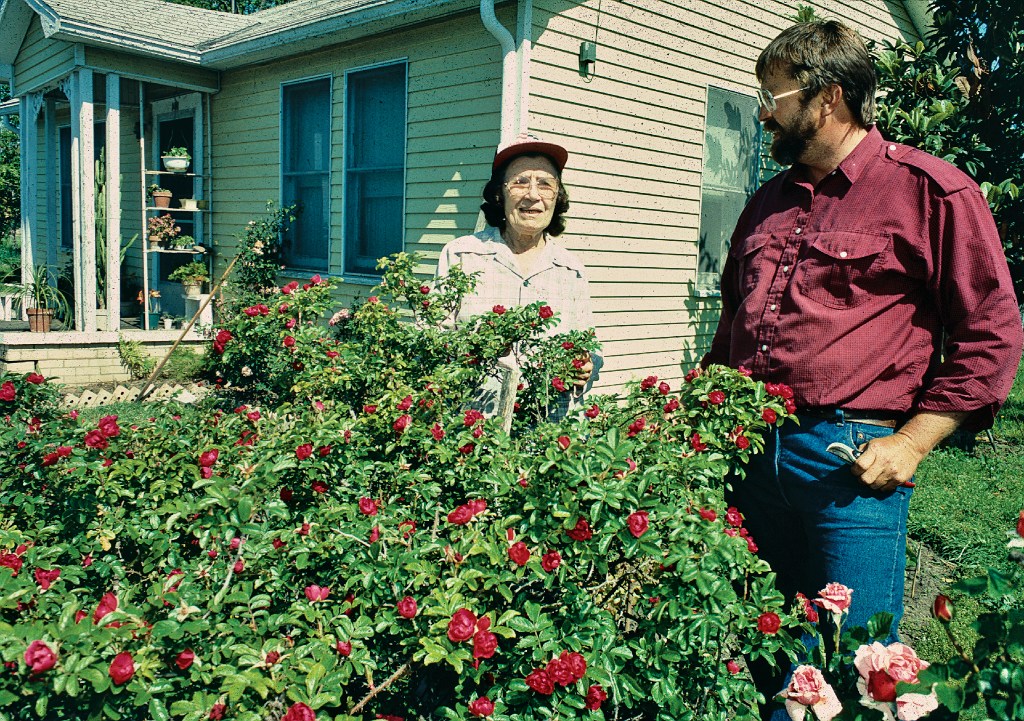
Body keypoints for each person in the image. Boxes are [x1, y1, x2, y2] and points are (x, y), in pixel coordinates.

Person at [701, 19, 1023, 718]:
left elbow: (991, 336)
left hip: (851, 465)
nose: (763, 110)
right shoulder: (765, 203)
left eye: (774, 93)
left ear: (828, 97)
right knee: (769, 649)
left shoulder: (931, 192)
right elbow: (730, 328)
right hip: (752, 456)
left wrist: (911, 442)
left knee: (862, 662)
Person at [436, 132, 600, 416]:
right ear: (499, 193)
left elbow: (590, 348)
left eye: (546, 184)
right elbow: (433, 341)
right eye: (520, 182)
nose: (533, 195)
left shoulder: (571, 270)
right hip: (474, 433)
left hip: (549, 435)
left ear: (557, 196)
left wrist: (589, 366)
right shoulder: (461, 256)